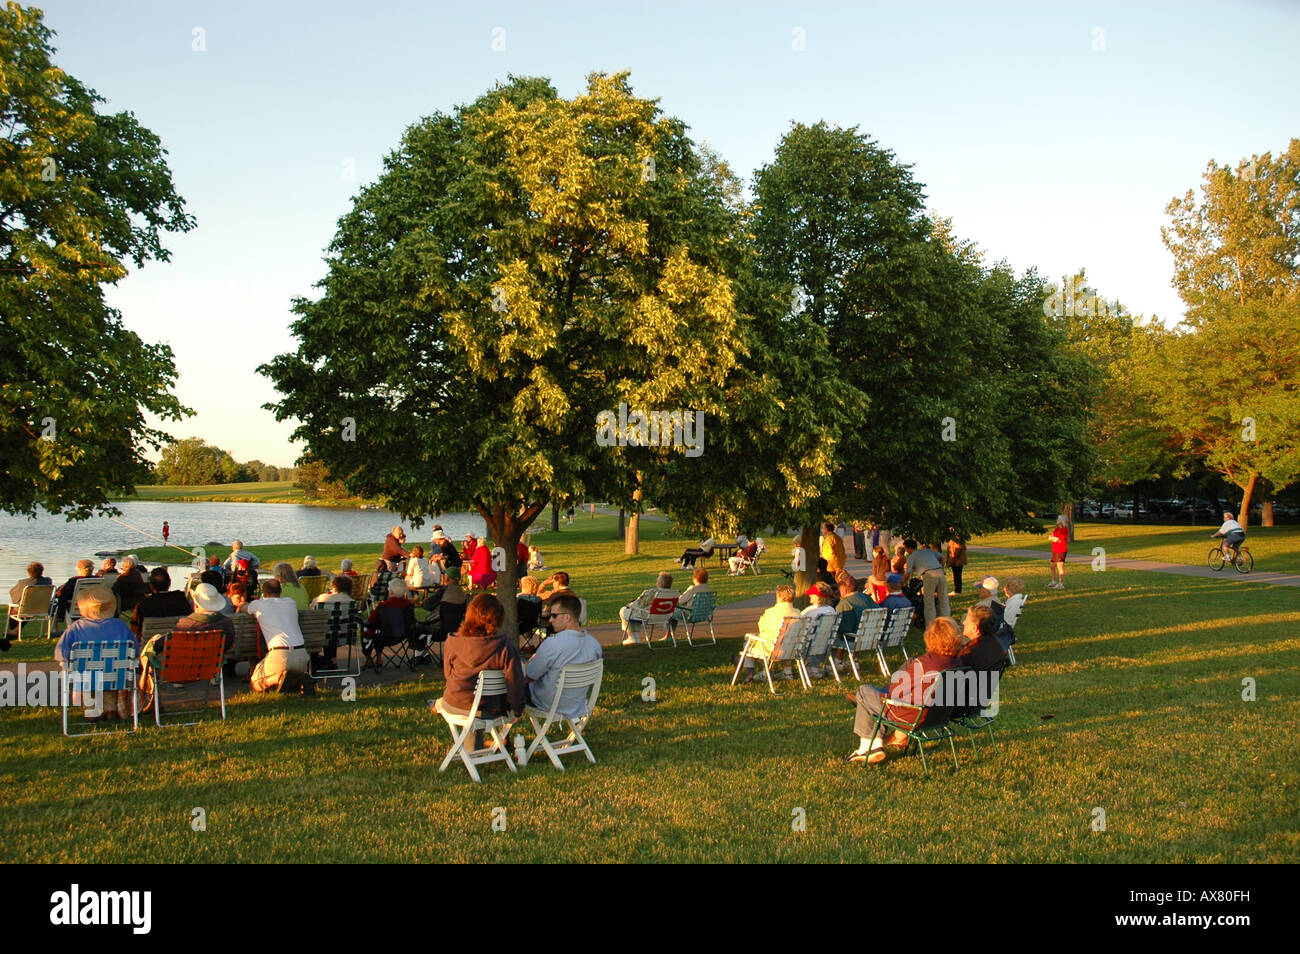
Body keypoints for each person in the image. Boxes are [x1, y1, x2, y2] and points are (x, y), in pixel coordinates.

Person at [845, 616, 964, 764]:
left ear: (930, 638)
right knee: (909, 663)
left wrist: (886, 694)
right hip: (936, 715)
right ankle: (869, 704)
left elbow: (896, 692)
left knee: (863, 690)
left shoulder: (924, 664)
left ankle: (869, 747)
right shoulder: (958, 663)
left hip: (910, 715)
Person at [431, 594, 526, 730]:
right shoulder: (504, 645)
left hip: (458, 703)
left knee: (452, 699)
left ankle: (436, 705)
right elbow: (514, 681)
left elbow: (448, 674)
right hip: (492, 709)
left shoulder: (453, 641)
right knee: (487, 700)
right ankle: (496, 742)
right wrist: (517, 710)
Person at [139, 583, 236, 709]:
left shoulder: (185, 625)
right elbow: (228, 645)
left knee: (151, 648)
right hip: (210, 668)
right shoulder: (226, 623)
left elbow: (158, 647)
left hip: (179, 670)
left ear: (195, 604)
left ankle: (148, 696)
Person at [53, 585, 139, 721]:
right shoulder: (120, 626)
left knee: (88, 673)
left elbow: (61, 653)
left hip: (86, 677)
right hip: (117, 677)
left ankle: (92, 711)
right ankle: (111, 710)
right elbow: (135, 649)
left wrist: (66, 664)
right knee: (110, 674)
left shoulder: (76, 628)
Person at [527, 594, 602, 717]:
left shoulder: (552, 644)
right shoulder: (594, 645)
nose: (550, 620)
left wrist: (527, 664)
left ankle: (499, 727)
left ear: (567, 617)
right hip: (578, 704)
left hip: (548, 703)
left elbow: (530, 675)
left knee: (513, 679)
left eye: (554, 616)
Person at [243, 579, 312, 693]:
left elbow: (244, 609)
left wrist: (241, 604)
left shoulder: (258, 604)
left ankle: (278, 678)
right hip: (302, 656)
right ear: (280, 591)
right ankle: (299, 680)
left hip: (279, 655)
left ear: (263, 593)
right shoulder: (291, 602)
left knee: (255, 683)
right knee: (289, 675)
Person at [738, 584, 801, 683]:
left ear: (779, 597)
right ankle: (787, 671)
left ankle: (749, 674)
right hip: (792, 649)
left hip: (772, 649)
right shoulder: (798, 613)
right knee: (787, 639)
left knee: (748, 643)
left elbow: (762, 628)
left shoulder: (771, 612)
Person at [619, 572, 678, 645]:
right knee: (633, 612)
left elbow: (639, 604)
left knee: (624, 610)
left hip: (648, 616)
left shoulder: (652, 592)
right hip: (666, 616)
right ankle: (634, 638)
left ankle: (633, 638)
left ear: (659, 582)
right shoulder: (674, 593)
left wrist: (630, 605)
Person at [129, 567, 192, 636]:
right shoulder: (181, 600)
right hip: (175, 644)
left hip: (149, 644)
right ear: (170, 582)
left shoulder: (144, 604)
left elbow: (134, 628)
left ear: (151, 585)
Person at [903, 539, 950, 630]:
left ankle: (930, 626)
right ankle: (947, 624)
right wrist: (942, 568)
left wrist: (901, 583)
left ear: (909, 548)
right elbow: (943, 557)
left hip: (929, 575)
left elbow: (907, 573)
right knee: (943, 599)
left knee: (929, 601)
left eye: (906, 549)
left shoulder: (912, 556)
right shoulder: (928, 551)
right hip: (940, 573)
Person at [801, 583, 838, 678]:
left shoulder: (810, 612)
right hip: (826, 644)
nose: (809, 595)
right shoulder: (831, 610)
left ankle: (812, 667)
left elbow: (800, 626)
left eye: (812, 594)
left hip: (810, 644)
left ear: (818, 597)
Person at [671, 567, 714, 634]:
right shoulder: (709, 590)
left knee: (670, 611)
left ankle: (669, 635)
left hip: (690, 615)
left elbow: (680, 601)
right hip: (705, 615)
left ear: (696, 578)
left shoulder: (693, 589)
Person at [54, 559, 96, 624]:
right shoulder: (97, 580)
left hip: (75, 608)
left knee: (59, 603)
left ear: (78, 569)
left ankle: (55, 628)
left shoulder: (73, 581)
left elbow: (62, 594)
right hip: (92, 608)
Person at [1048, 516, 1070, 589]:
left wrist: (1054, 538)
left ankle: (1061, 583)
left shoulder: (1064, 530)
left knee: (1060, 566)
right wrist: (1053, 538)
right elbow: (1051, 536)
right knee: (1052, 565)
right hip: (1055, 550)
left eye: (1059, 519)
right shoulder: (1057, 529)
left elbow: (1059, 538)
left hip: (1061, 550)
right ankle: (1054, 581)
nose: (1057, 520)